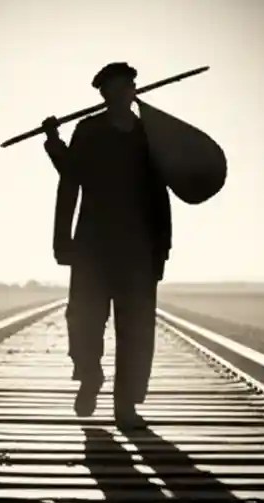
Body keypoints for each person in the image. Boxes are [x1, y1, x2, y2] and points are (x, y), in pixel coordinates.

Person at [41, 61, 172, 428]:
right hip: (93, 245)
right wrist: (54, 142)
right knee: (82, 320)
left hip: (139, 248)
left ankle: (125, 406)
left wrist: (162, 248)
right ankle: (89, 375)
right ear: (104, 94)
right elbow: (71, 178)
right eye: (113, 88)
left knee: (136, 330)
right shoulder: (90, 130)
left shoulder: (148, 134)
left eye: (127, 86)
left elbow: (161, 194)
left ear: (133, 90)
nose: (122, 93)